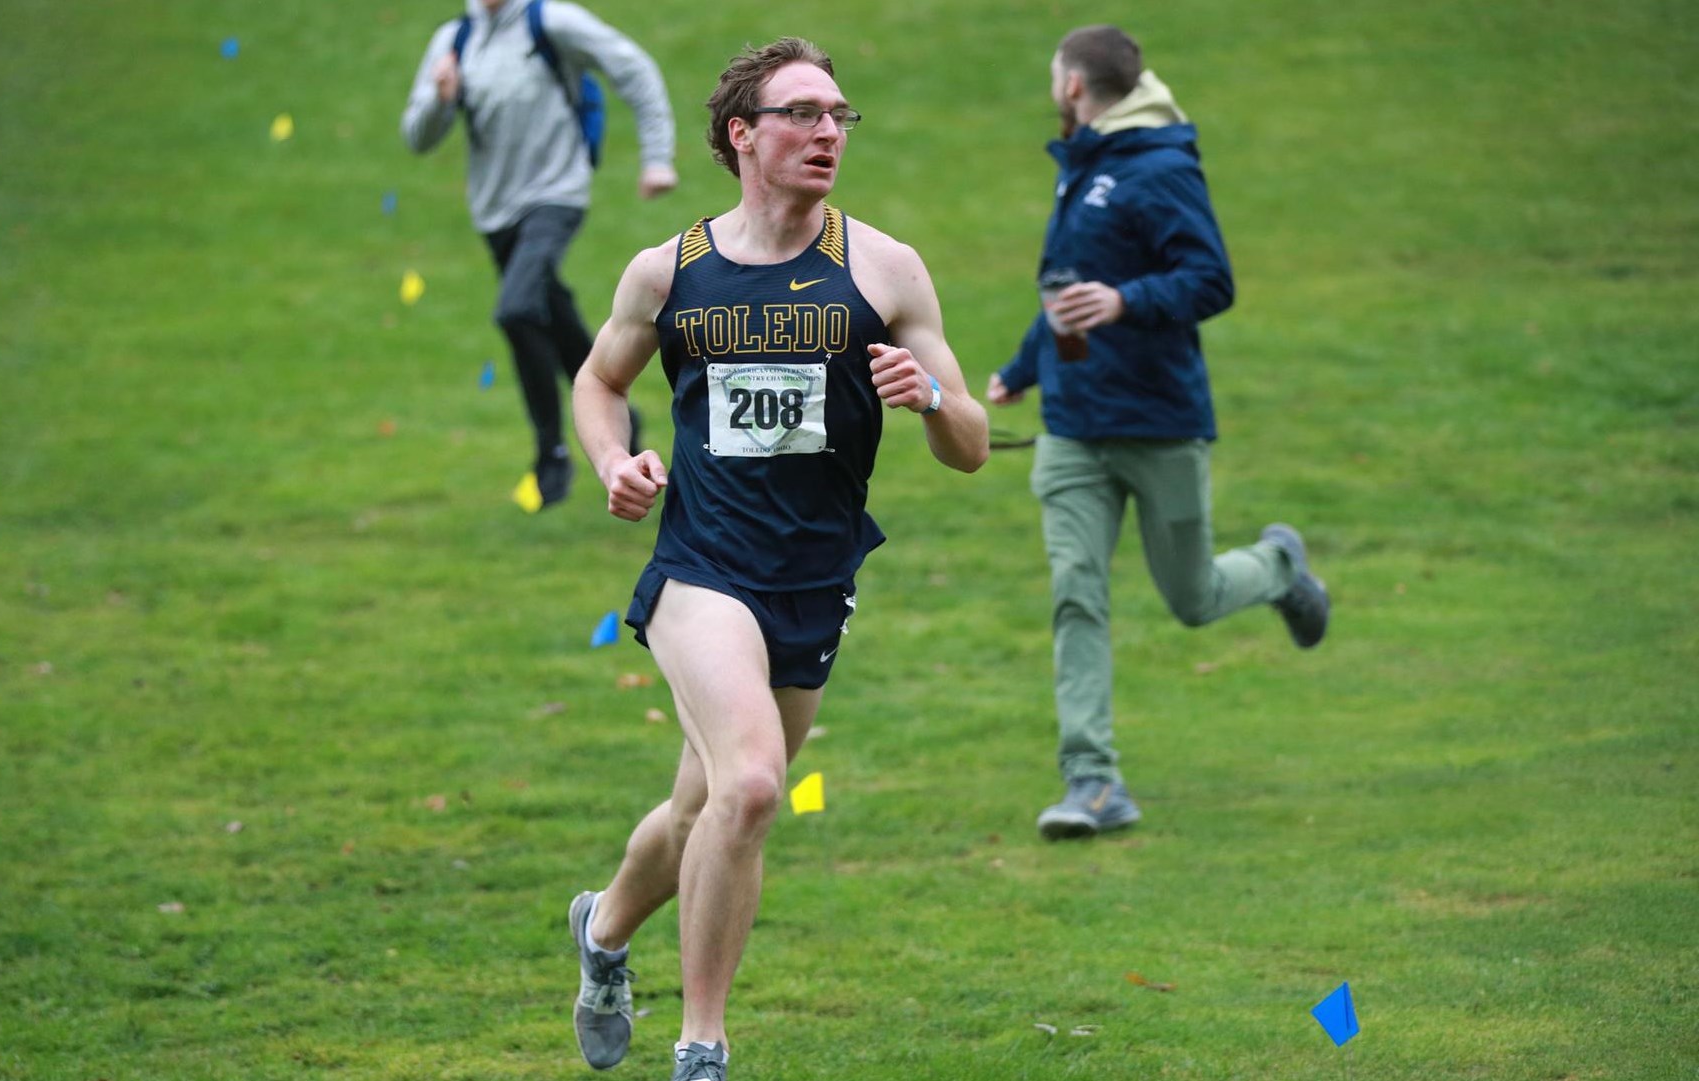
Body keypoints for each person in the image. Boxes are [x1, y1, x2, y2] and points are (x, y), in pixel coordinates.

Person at [564, 38, 989, 1081]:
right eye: (803, 114)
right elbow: (598, 379)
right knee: (753, 786)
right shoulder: (668, 271)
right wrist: (615, 461)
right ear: (741, 135)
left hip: (815, 578)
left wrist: (929, 399)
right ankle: (702, 1045)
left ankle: (603, 932)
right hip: (703, 568)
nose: (829, 133)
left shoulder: (882, 268)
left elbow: (971, 444)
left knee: (702, 807)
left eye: (840, 115)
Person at [987, 25, 1330, 842]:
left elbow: (1209, 280)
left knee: (1192, 598)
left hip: (1159, 421)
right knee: (1076, 592)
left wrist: (1124, 302)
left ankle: (1278, 565)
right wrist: (1023, 367)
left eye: (1052, 79)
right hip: (1071, 426)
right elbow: (1064, 291)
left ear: (1073, 85)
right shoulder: (1082, 168)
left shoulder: (1159, 169)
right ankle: (1093, 781)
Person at [401, 0, 678, 506]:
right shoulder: (454, 40)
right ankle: (623, 419)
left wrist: (657, 158)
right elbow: (417, 137)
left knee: (517, 309)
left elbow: (632, 67)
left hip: (556, 195)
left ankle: (551, 449)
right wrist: (442, 99)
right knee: (549, 313)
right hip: (494, 212)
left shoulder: (552, 22)